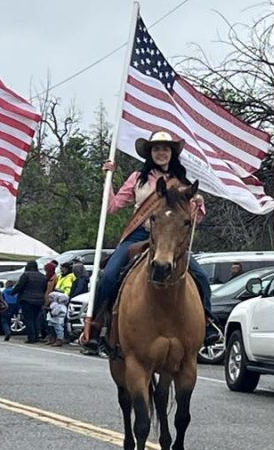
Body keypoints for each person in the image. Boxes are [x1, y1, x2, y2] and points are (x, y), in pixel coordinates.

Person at [83, 130, 218, 353]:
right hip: (138, 235)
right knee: (108, 276)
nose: (161, 153)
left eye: (165, 149)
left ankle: (207, 324)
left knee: (201, 276)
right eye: (156, 149)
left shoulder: (183, 183)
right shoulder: (138, 179)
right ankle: (96, 326)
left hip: (170, 240)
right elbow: (113, 207)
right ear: (150, 153)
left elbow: (195, 219)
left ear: (172, 153)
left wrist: (198, 204)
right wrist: (107, 180)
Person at [11, 261, 47, 344]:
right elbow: (44, 288)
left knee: (29, 319)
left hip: (27, 299)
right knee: (36, 318)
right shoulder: (43, 276)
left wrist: (13, 292)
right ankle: (37, 336)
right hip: (39, 300)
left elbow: (19, 286)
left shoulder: (26, 275)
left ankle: (31, 338)